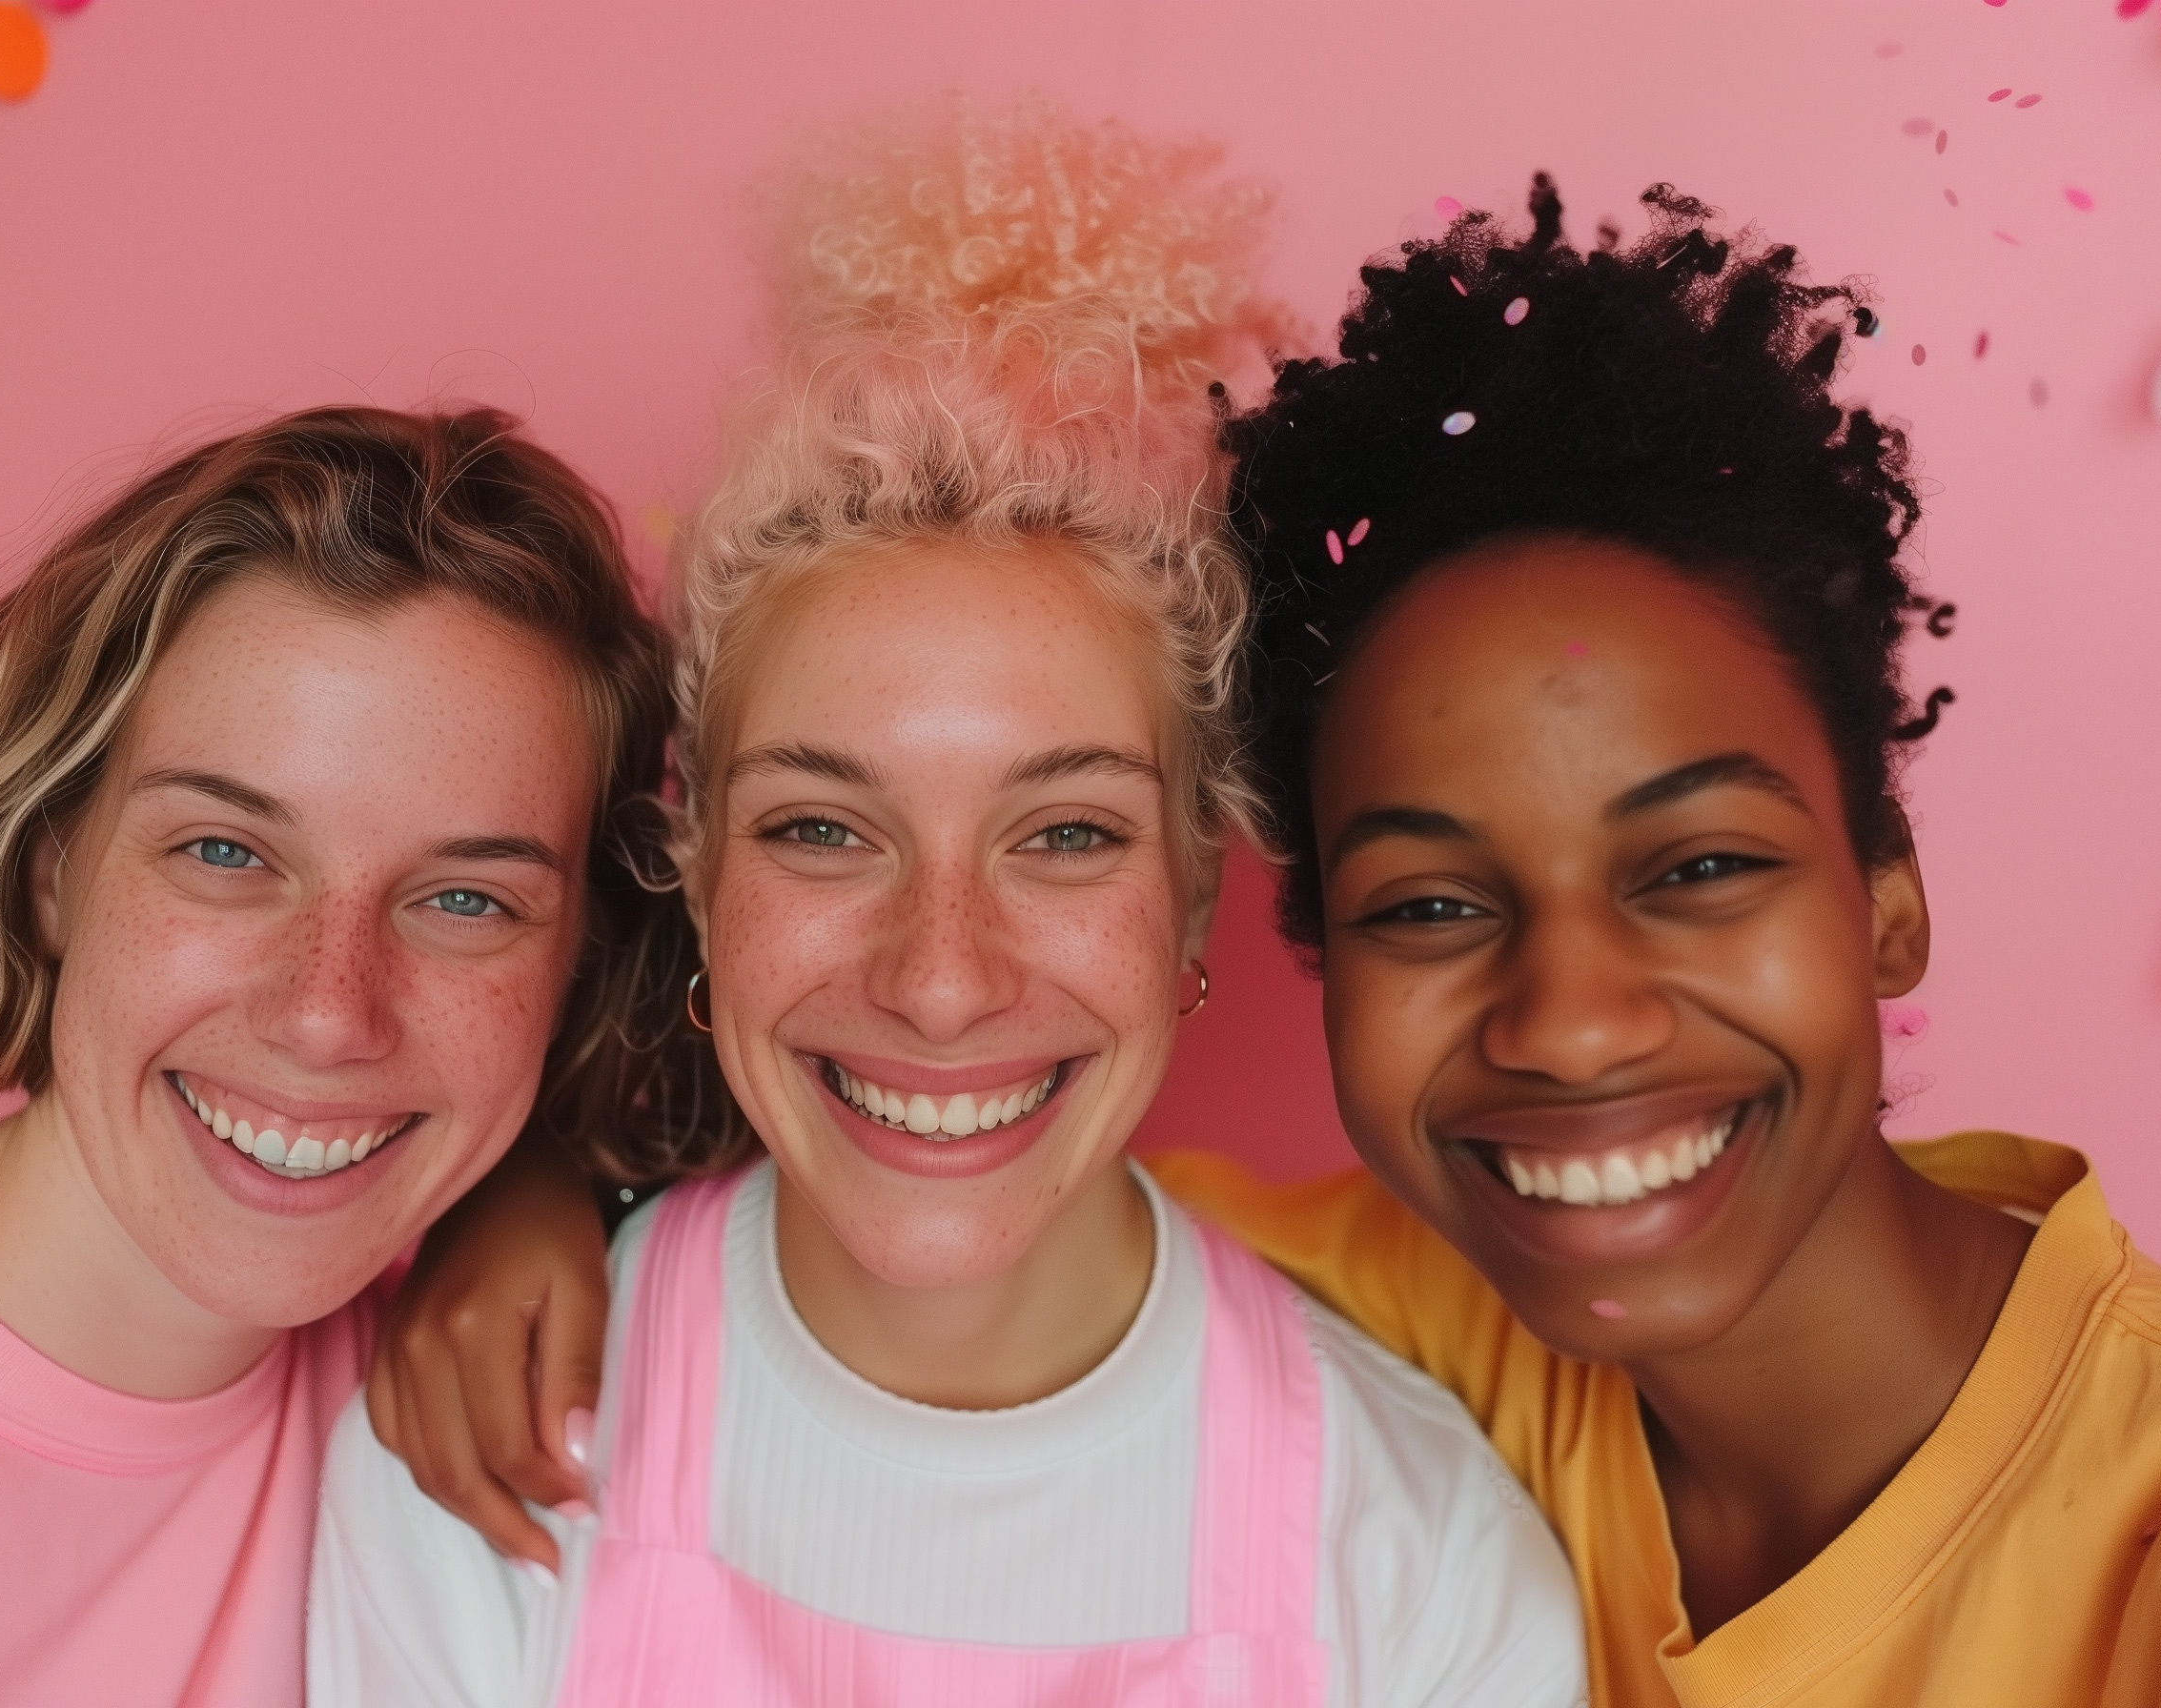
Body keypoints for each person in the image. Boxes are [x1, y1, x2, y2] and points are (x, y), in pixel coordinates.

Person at [379, 179, 2161, 1704]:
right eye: (1432, 903)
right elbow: (954, 1180)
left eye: (1696, 867)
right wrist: (514, 1184)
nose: (1574, 1027)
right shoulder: (1438, 1282)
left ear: (1889, 888)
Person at [307, 102, 1584, 1708]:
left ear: (1196, 887)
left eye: (1065, 834)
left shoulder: (1430, 1576)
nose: (941, 980)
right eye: (824, 829)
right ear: (691, 867)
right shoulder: (471, 1460)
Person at [0, 405, 723, 1706]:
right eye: (225, 853)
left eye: (465, 901)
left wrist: (548, 1184)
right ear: (52, 868)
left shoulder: (495, 1431)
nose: (328, 1013)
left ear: (575, 967)